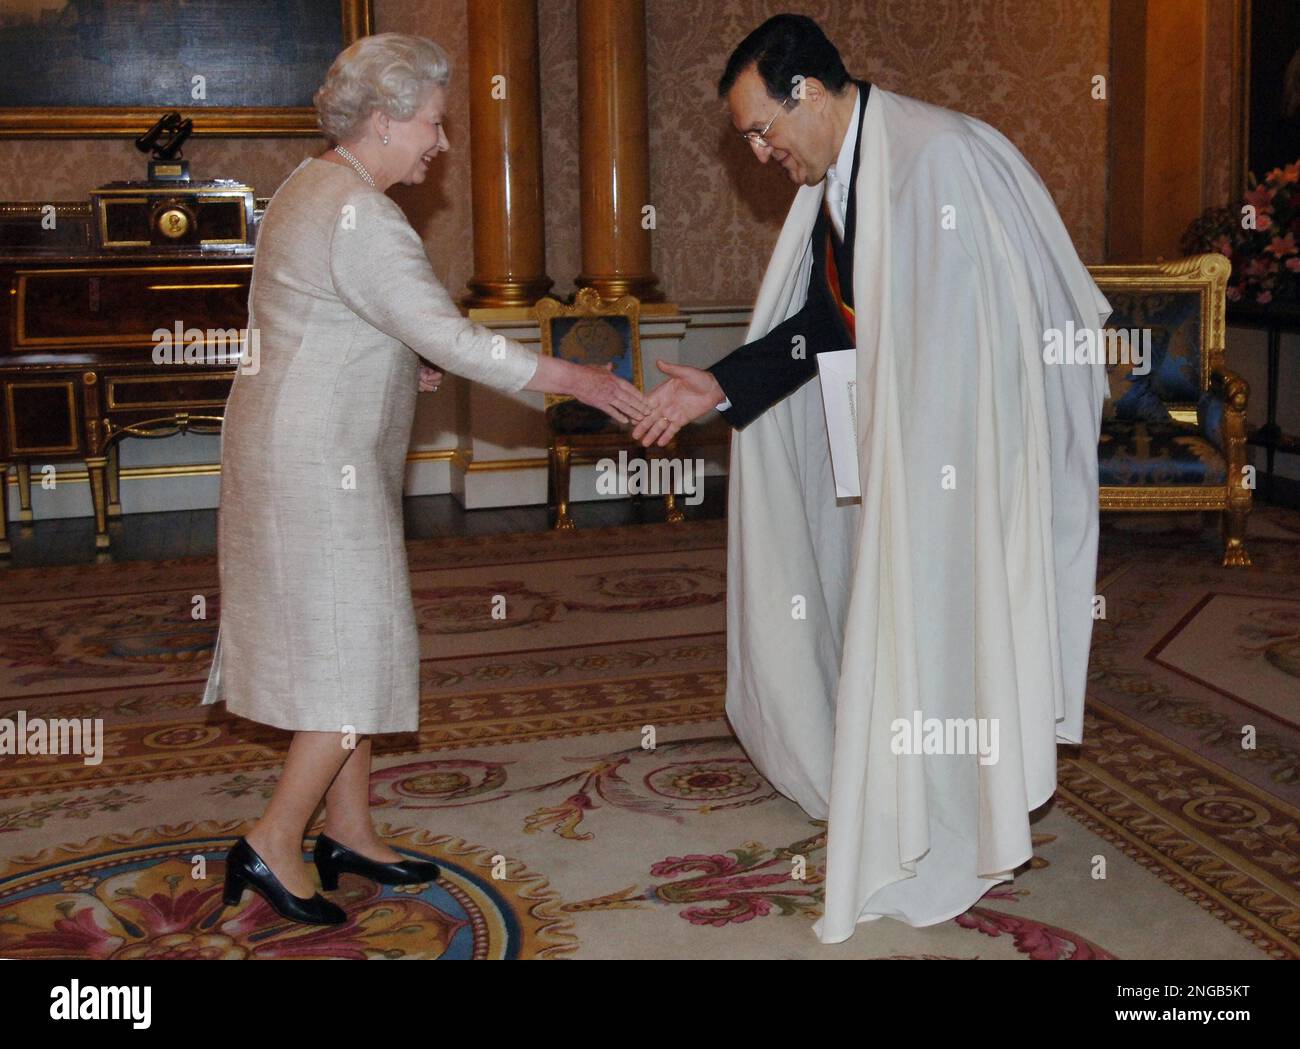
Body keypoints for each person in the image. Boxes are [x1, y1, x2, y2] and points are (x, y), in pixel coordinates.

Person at [634, 14, 1111, 943]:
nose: (762, 154)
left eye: (761, 131)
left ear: (806, 91)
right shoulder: (847, 174)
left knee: (951, 625)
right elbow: (829, 321)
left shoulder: (942, 158)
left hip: (967, 464)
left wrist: (933, 441)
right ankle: (924, 805)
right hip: (913, 459)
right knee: (904, 625)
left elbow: (998, 330)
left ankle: (960, 824)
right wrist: (720, 387)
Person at [202, 32, 649, 925]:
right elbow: (450, 334)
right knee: (351, 646)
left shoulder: (314, 183)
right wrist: (581, 378)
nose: (440, 144)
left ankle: (351, 828)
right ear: (380, 120)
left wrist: (400, 359)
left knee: (346, 637)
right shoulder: (361, 213)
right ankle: (273, 841)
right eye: (432, 125)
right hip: (313, 462)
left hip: (300, 446)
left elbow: (337, 314)